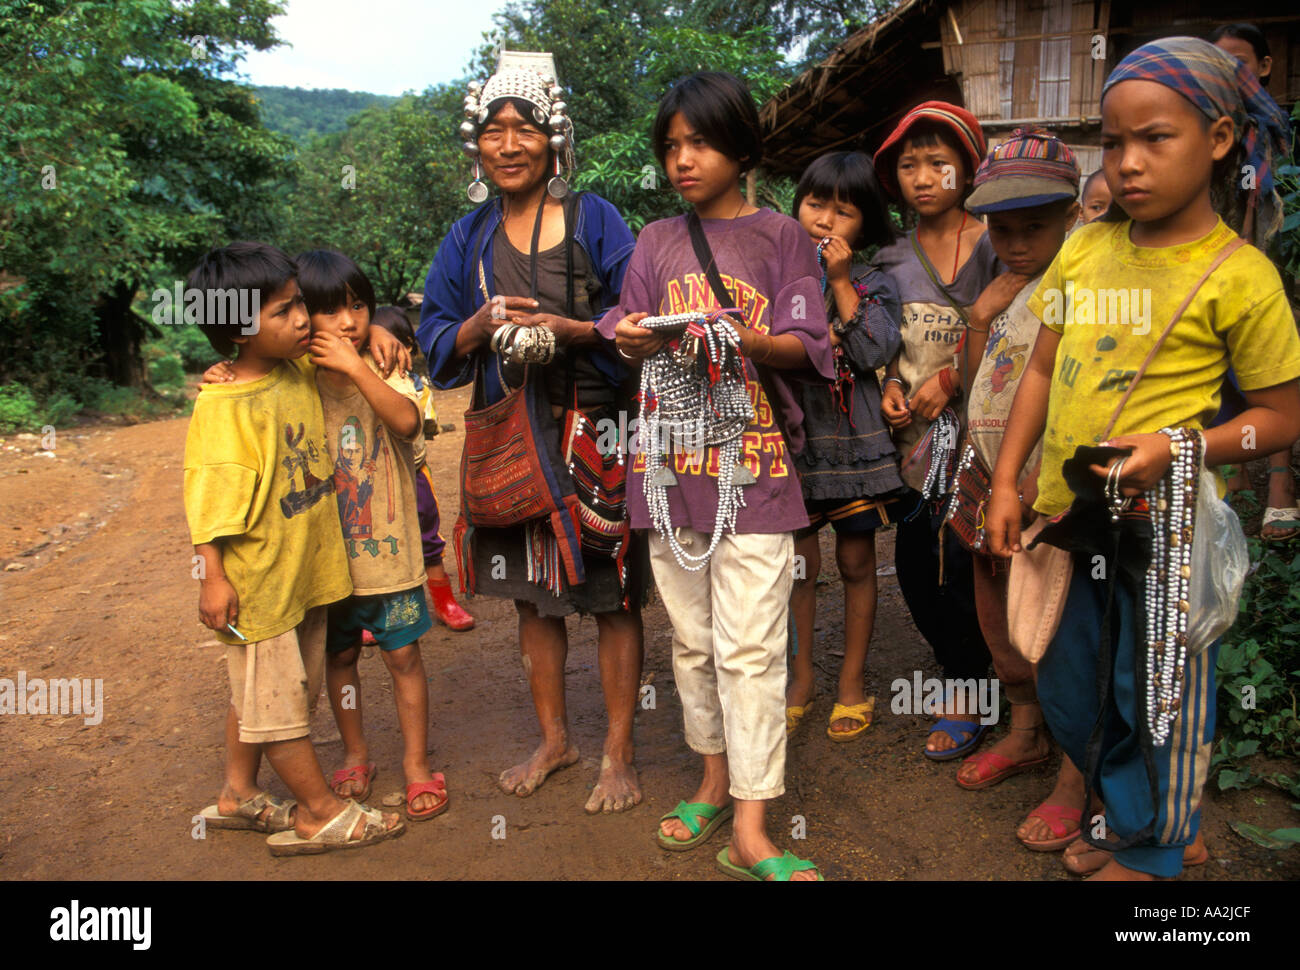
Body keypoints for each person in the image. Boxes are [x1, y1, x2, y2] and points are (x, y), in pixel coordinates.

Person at [985, 37, 1300, 880]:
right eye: (1115, 142)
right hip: (1072, 517)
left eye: (1154, 138)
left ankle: (1159, 851)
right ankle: (1136, 819)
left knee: (1156, 692)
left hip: (1165, 530)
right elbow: (1043, 369)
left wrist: (1179, 447)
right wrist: (1009, 482)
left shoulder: (1241, 278)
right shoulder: (1087, 249)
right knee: (1075, 686)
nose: (1127, 164)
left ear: (1221, 139)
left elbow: (1282, 419)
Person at [603, 71, 833, 880]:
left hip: (758, 473)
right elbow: (621, 319)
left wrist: (741, 341)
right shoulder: (656, 240)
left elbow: (810, 348)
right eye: (670, 147)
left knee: (751, 650)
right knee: (695, 646)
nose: (682, 160)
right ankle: (709, 775)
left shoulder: (782, 238)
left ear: (740, 145)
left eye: (698, 142)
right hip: (668, 473)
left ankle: (751, 824)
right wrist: (631, 334)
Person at [418, 52, 648, 814]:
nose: (509, 144)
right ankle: (556, 739)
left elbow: (635, 316)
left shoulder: (597, 218)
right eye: (494, 131)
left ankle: (617, 751)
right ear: (476, 146)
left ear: (553, 140)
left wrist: (573, 329)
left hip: (597, 430)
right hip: (510, 438)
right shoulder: (467, 238)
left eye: (524, 129)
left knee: (612, 597)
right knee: (530, 598)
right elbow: (433, 340)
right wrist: (479, 327)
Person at [185, 241, 405, 855]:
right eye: (283, 312)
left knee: (263, 692)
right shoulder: (224, 406)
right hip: (259, 586)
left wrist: (382, 328)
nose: (303, 319)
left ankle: (237, 792)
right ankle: (318, 810)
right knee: (277, 703)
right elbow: (209, 504)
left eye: (299, 303)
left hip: (302, 574)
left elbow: (349, 332)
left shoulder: (292, 369)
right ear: (236, 330)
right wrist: (212, 577)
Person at [278, 250, 448, 824]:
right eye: (329, 311)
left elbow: (404, 423)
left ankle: (418, 764)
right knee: (342, 658)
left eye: (357, 307)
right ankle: (354, 752)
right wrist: (222, 371)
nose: (348, 322)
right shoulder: (291, 378)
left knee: (403, 656)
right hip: (327, 567)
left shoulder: (384, 366)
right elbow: (247, 358)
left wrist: (358, 366)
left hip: (391, 559)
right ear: (303, 320)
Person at [947, 129, 1079, 812]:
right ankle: (1025, 727)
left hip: (1043, 478)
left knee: (1055, 617)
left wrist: (1033, 481)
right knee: (994, 610)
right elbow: (976, 387)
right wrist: (976, 321)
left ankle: (1076, 756)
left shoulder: (1080, 288)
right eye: (1003, 227)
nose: (1017, 241)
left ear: (1073, 217)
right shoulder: (998, 288)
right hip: (987, 468)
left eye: (1035, 226)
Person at [871, 102, 998, 760]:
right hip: (918, 447)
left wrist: (952, 379)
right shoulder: (890, 258)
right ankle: (968, 678)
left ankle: (992, 686)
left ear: (968, 169)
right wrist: (890, 384)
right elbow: (878, 341)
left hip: (991, 436)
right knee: (919, 565)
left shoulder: (1001, 244)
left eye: (938, 163)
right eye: (909, 164)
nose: (922, 177)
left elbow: (1021, 331)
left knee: (977, 560)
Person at [784, 151, 907, 742]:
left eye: (844, 211)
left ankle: (852, 682)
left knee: (857, 562)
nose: (825, 221)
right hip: (792, 445)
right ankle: (802, 678)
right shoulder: (776, 272)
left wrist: (838, 282)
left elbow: (872, 353)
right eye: (815, 205)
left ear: (867, 225)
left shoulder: (873, 282)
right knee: (798, 568)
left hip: (855, 445)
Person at [1211, 23, 1298, 539]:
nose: (1232, 73)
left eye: (1242, 62)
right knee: (1219, 350)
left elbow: (1273, 197)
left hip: (1273, 254)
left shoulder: (1277, 129)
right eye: (1220, 63)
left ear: (1265, 66)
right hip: (1218, 251)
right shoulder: (1209, 125)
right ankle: (1237, 468)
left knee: (1271, 362)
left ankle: (1282, 482)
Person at [372, 305, 475, 631]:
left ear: (409, 347)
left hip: (415, 474)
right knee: (378, 543)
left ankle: (444, 601)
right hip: (376, 481)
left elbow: (421, 428)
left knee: (429, 539)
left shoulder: (416, 388)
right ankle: (379, 608)